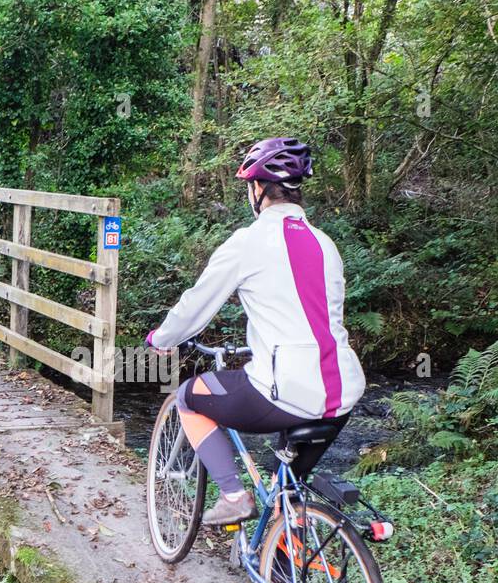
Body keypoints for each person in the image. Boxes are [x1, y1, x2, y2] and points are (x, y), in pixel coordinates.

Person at [146, 137, 366, 525]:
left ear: (258, 188)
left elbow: (196, 304)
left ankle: (233, 496)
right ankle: (283, 571)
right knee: (288, 492)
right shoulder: (325, 244)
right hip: (343, 391)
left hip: (284, 390)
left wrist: (161, 339)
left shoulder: (248, 241)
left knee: (187, 396)